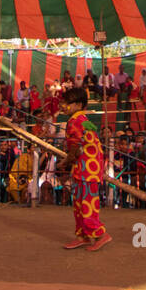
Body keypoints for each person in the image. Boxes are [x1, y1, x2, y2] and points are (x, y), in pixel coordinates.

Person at [61, 87, 111, 251]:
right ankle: (82, 236)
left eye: (67, 103)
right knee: (79, 203)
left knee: (86, 203)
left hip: (86, 171)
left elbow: (75, 147)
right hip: (85, 169)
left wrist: (66, 161)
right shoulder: (83, 119)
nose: (63, 106)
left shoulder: (75, 121)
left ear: (78, 104)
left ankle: (100, 235)